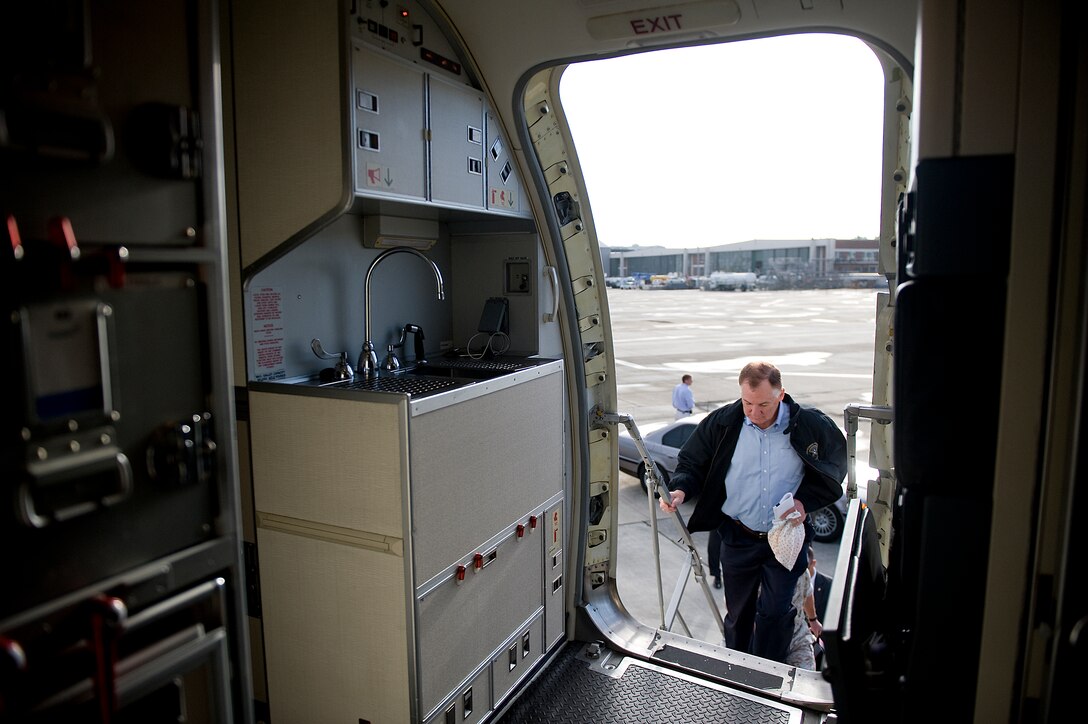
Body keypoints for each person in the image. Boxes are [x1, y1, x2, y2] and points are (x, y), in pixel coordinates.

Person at [660, 361, 846, 664]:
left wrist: (804, 501)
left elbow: (836, 465)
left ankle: (767, 674)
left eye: (764, 404)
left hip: (784, 539)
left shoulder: (809, 424)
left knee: (775, 612)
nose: (755, 413)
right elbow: (691, 462)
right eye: (748, 403)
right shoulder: (722, 423)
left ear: (781, 394)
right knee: (738, 613)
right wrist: (681, 488)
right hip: (739, 537)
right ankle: (737, 667)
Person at [785, 546, 822, 670]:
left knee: (806, 680)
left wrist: (813, 620)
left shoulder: (800, 570)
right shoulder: (753, 569)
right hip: (763, 638)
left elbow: (807, 592)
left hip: (796, 638)